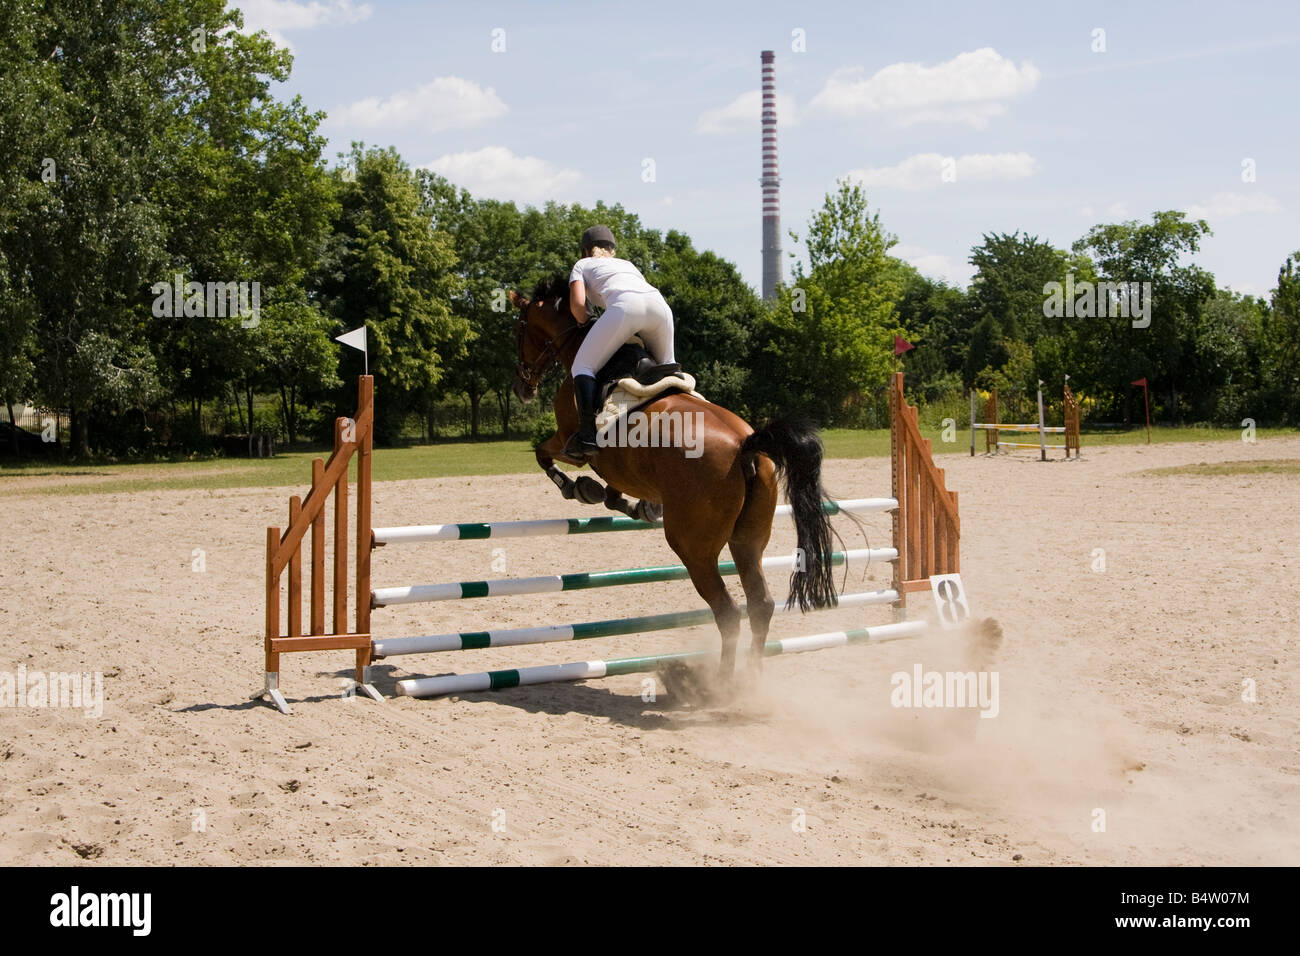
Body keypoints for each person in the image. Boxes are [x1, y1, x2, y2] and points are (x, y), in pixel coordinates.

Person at [564, 225, 678, 459]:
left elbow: (577, 306)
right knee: (667, 370)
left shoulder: (582, 265)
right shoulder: (628, 265)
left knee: (582, 367)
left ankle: (587, 435)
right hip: (660, 309)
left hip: (625, 308)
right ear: (612, 250)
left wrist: (586, 322)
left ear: (585, 251)